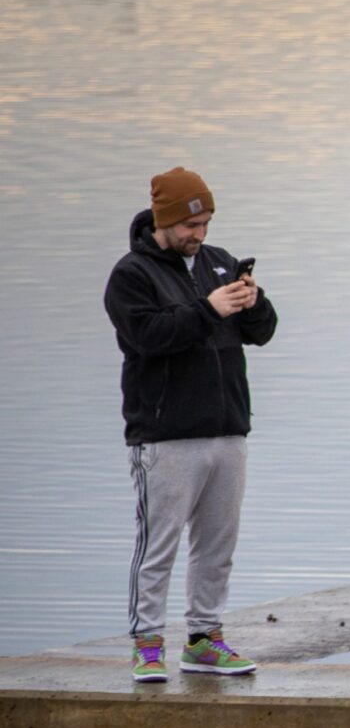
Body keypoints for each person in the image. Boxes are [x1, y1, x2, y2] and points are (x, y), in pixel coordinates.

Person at [106, 167, 278, 682]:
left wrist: (252, 301)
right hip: (165, 434)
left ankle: (204, 640)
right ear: (165, 220)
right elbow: (147, 336)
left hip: (227, 428)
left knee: (217, 545)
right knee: (157, 545)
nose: (198, 235)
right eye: (189, 225)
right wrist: (208, 310)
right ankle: (148, 642)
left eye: (204, 223)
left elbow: (263, 333)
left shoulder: (219, 264)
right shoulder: (132, 274)